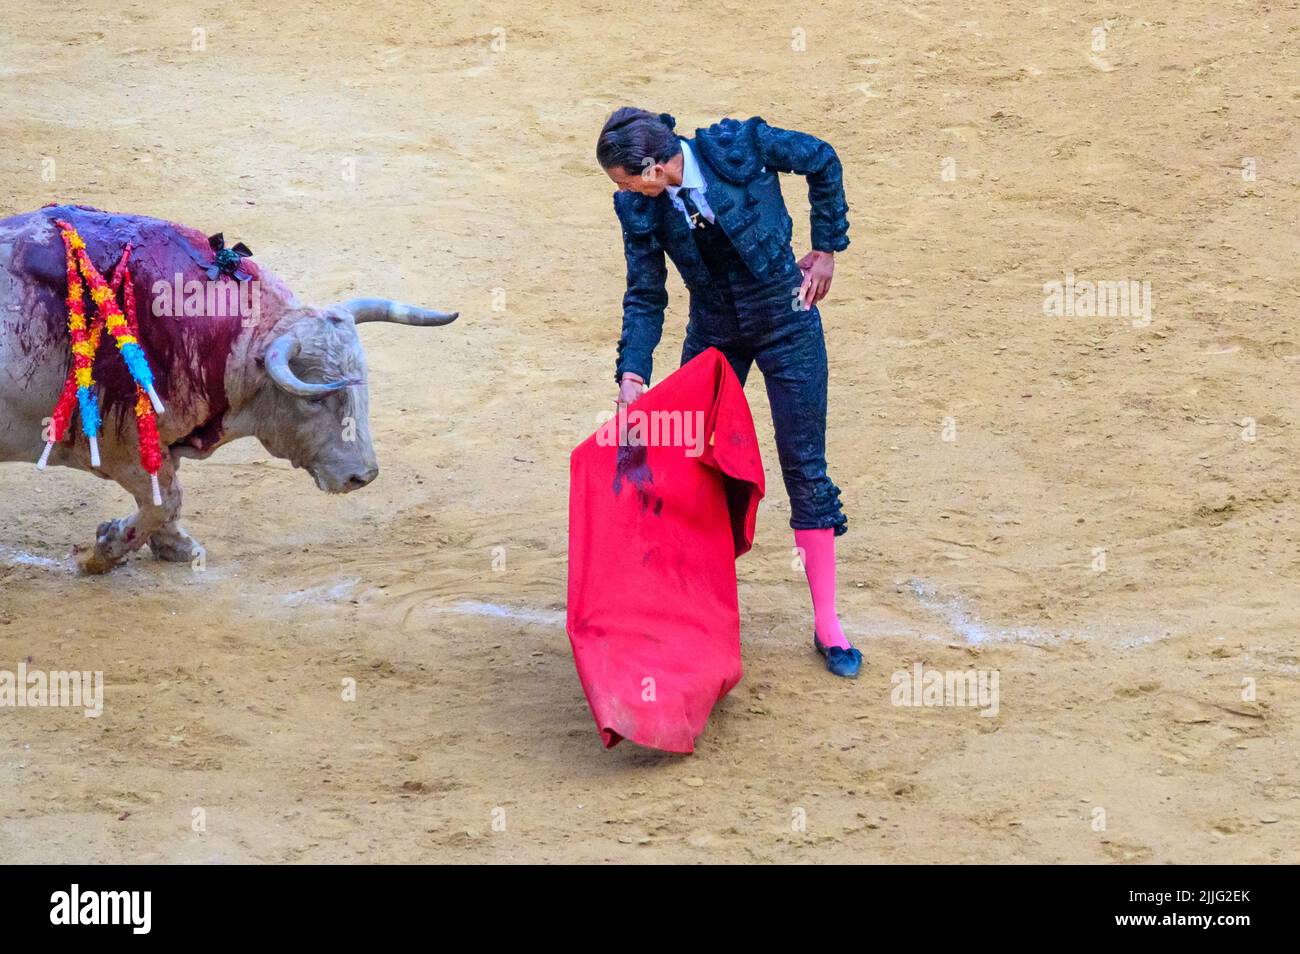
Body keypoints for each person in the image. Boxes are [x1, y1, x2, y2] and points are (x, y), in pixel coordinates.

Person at [596, 107, 860, 678]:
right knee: (688, 464)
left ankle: (828, 626)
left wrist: (826, 247)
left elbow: (822, 158)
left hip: (788, 316)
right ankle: (689, 610)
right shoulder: (638, 204)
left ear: (652, 167)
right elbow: (645, 293)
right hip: (714, 333)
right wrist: (633, 374)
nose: (622, 193)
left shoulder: (737, 145)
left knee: (804, 467)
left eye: (624, 180)